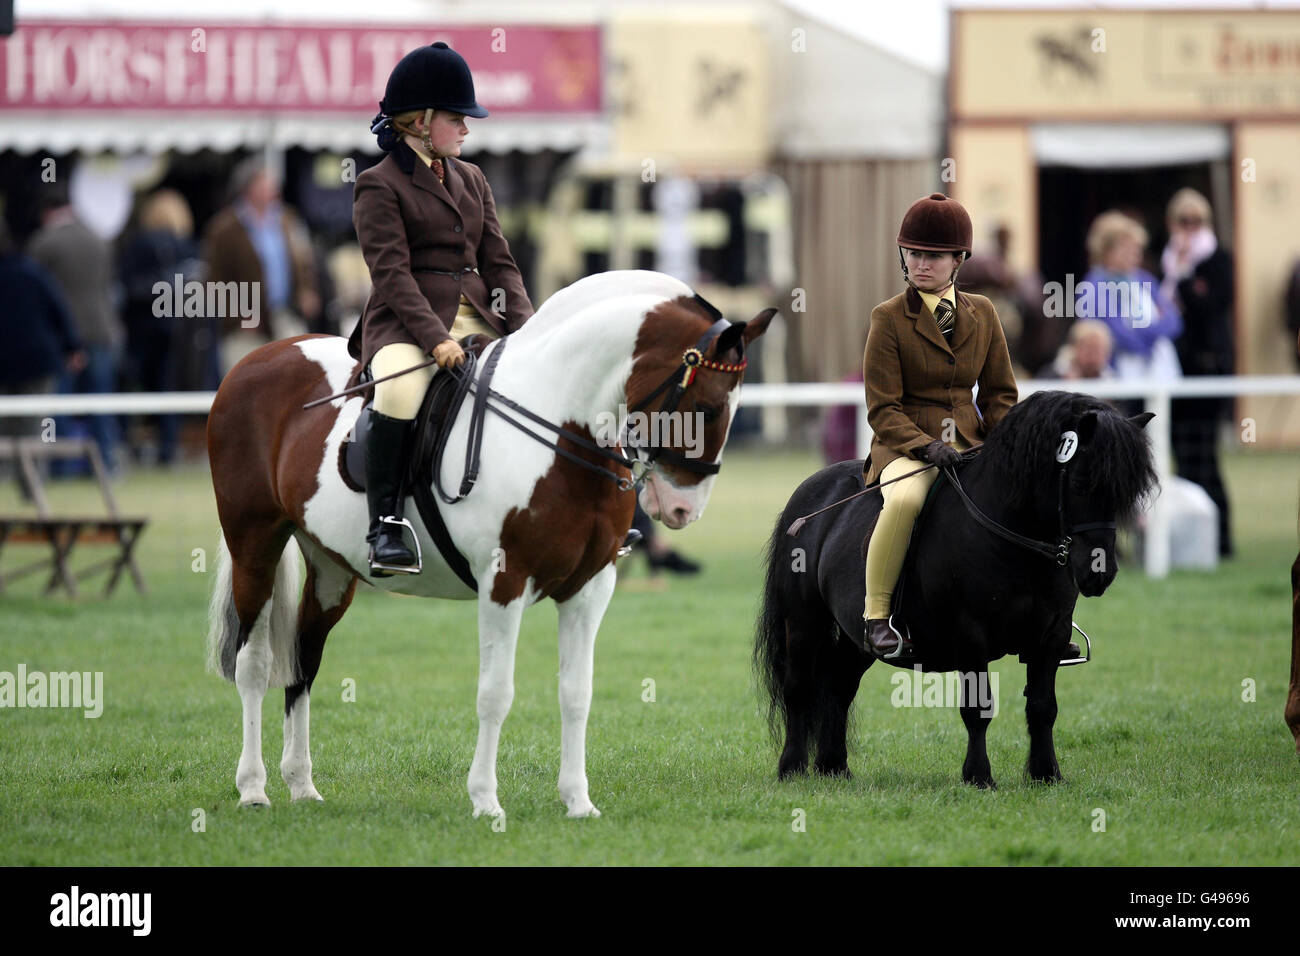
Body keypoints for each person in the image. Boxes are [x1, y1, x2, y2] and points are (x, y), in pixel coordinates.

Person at [351, 41, 534, 576]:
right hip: (407, 323)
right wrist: (435, 340)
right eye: (457, 118)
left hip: (478, 313)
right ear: (421, 121)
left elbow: (500, 264)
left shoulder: (472, 179)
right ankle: (384, 527)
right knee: (400, 389)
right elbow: (391, 274)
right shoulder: (377, 185)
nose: (467, 128)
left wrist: (528, 328)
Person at [861, 193, 1018, 658]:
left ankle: (1048, 620)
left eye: (933, 255)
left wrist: (1006, 444)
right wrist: (926, 447)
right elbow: (883, 408)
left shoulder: (983, 313)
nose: (921, 263)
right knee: (908, 499)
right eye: (914, 254)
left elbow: (999, 395)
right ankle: (876, 615)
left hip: (973, 444)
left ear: (958, 259)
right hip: (906, 448)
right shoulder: (888, 318)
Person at [27, 188, 125, 474]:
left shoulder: (44, 243)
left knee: (60, 405)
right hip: (102, 331)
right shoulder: (98, 239)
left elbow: (39, 294)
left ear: (47, 213)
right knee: (101, 403)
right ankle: (105, 464)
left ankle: (61, 466)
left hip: (63, 337)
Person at [1159, 188, 1234, 557]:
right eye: (1182, 221)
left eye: (1196, 221)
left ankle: (1222, 539)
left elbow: (1209, 307)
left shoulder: (1216, 259)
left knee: (1205, 455)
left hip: (1208, 370)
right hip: (1178, 374)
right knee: (1183, 453)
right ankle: (1193, 541)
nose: (1189, 229)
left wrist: (1186, 276)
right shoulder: (1168, 261)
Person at [202, 157, 321, 377]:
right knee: (245, 386)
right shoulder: (224, 229)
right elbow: (214, 282)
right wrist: (238, 316)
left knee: (297, 380)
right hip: (246, 326)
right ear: (249, 188)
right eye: (265, 183)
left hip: (284, 315)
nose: (273, 189)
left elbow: (304, 260)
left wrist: (306, 290)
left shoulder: (286, 219)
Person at [118, 189, 201, 464]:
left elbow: (126, 288)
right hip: (177, 330)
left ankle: (131, 447)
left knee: (134, 389)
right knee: (168, 390)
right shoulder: (187, 248)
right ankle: (168, 450)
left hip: (142, 329)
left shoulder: (137, 245)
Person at [1075, 211, 1182, 386]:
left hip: (1159, 374)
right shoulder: (1092, 286)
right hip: (1118, 380)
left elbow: (1174, 321)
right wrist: (1153, 330)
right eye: (1125, 248)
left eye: (1136, 249)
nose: (1134, 255)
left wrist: (1142, 330)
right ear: (1105, 250)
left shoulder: (1144, 279)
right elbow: (1117, 335)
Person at [1047, 318, 1115, 380]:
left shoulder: (1111, 380)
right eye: (1089, 351)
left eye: (1098, 351)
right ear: (1075, 348)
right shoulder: (1054, 376)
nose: (1093, 357)